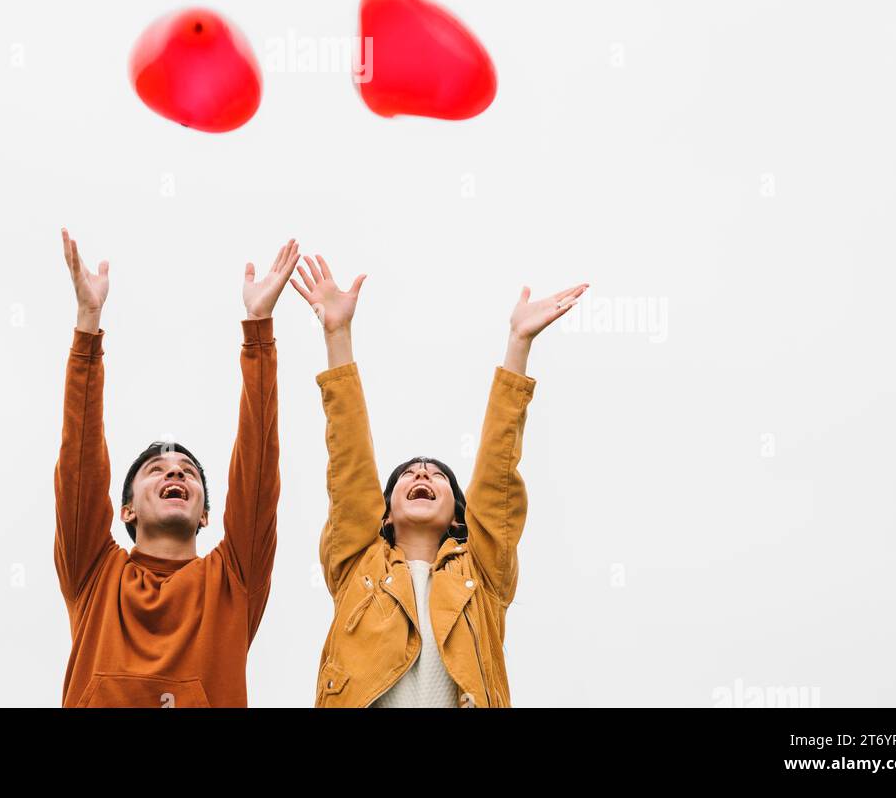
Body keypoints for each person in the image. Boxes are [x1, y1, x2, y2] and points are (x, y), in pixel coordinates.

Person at [291, 253, 587, 708]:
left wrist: (518, 345)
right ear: (384, 514)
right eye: (407, 475)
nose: (423, 473)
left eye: (436, 475)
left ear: (457, 519)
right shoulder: (355, 563)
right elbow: (348, 463)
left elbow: (496, 477)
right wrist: (337, 335)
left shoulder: (484, 574)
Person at [54, 227, 298, 707]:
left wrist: (259, 329)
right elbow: (78, 466)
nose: (176, 474)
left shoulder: (234, 580)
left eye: (187, 470)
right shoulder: (93, 574)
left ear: (206, 514)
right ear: (125, 511)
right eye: (157, 469)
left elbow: (258, 470)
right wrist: (87, 326)